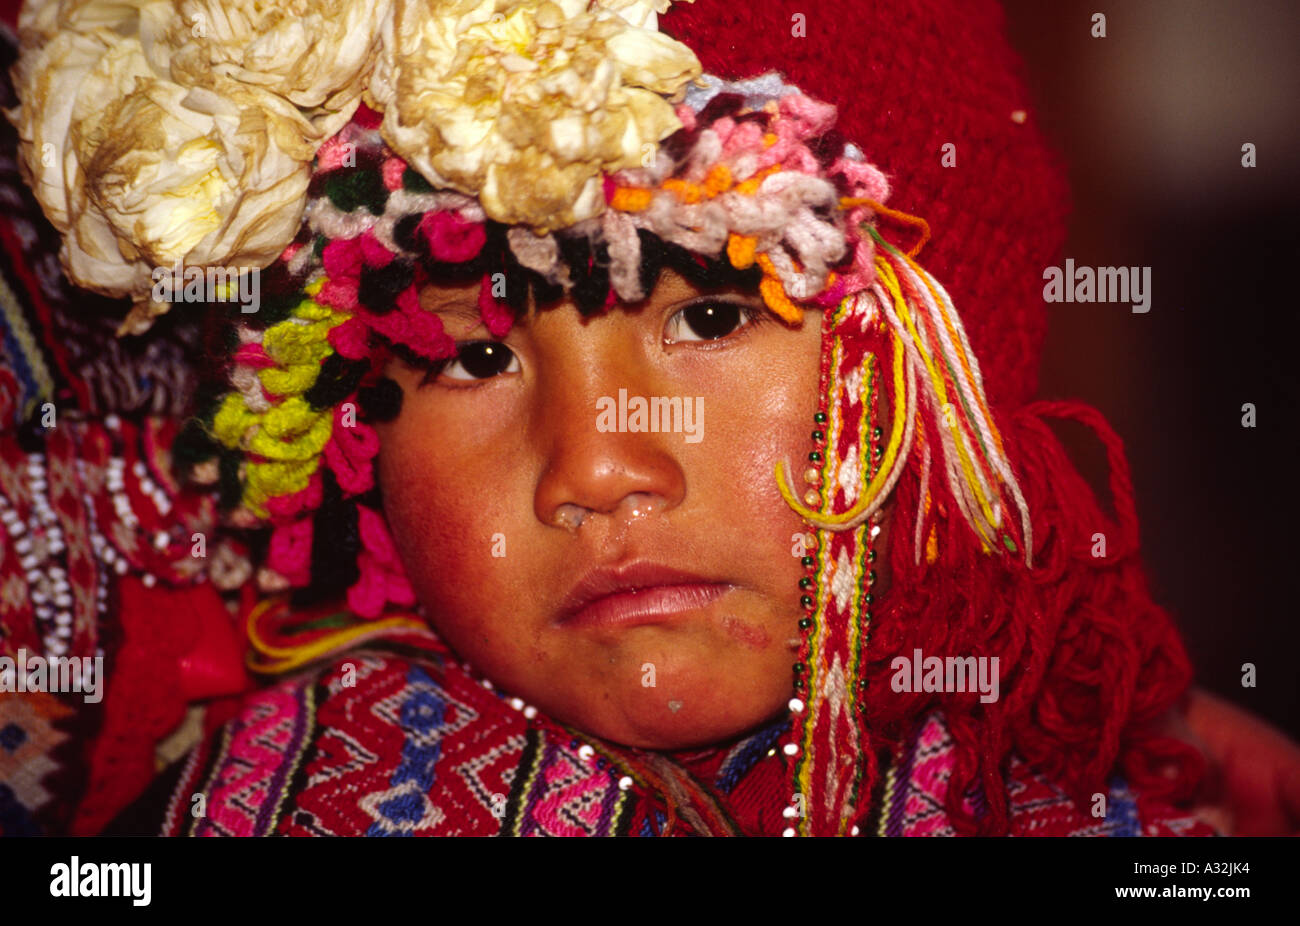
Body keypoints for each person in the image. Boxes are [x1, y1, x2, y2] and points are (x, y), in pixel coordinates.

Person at [2, 0, 1297, 837]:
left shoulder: (1129, 801)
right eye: (475, 354)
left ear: (933, 356)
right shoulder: (281, 796)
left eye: (713, 318)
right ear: (348, 444)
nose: (596, 464)